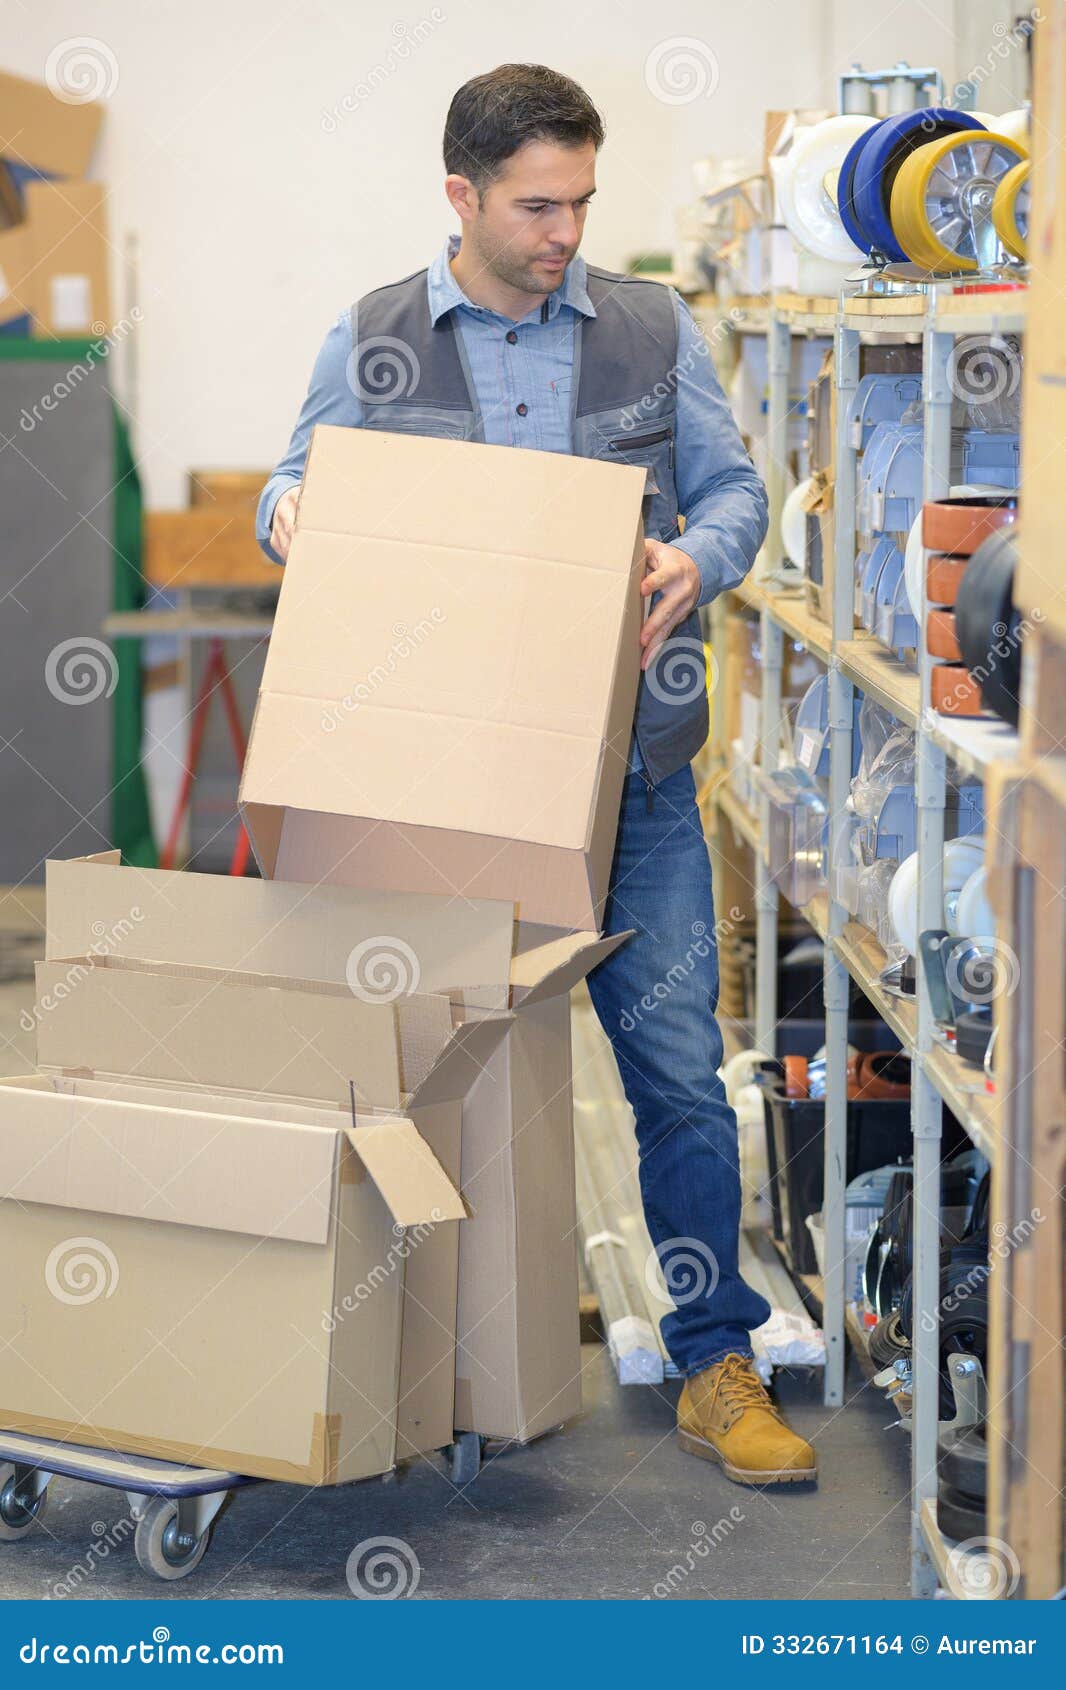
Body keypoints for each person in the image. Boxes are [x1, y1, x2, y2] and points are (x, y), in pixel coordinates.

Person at [257, 62, 816, 1487]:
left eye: (578, 201)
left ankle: (713, 1361)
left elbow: (736, 486)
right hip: (435, 797)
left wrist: (697, 555)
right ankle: (395, 1371)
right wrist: (298, 516)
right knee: (407, 1084)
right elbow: (286, 488)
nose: (564, 231)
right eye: (534, 206)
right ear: (460, 194)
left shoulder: (647, 325)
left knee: (679, 1075)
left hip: (628, 787)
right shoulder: (374, 335)